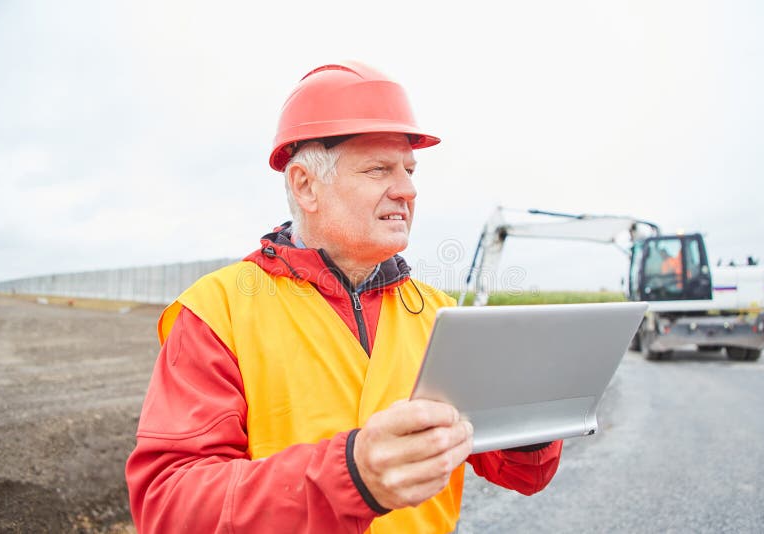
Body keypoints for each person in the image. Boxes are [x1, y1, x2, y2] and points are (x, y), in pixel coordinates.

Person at [125, 61, 562, 533]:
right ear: (305, 185)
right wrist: (351, 476)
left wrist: (533, 410)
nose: (408, 190)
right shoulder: (219, 311)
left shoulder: (441, 316)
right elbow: (168, 507)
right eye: (379, 169)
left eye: (410, 170)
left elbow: (523, 473)